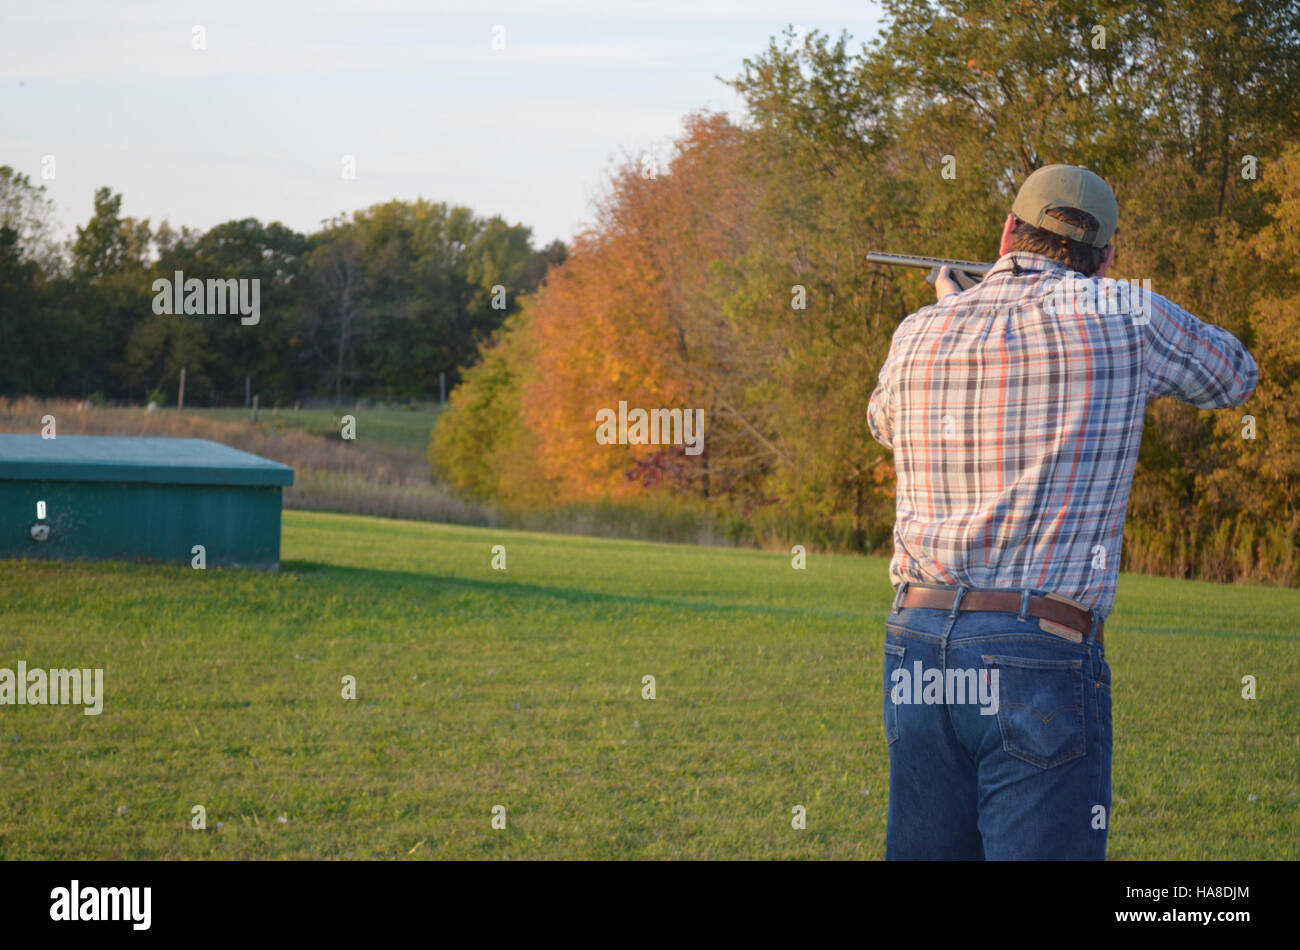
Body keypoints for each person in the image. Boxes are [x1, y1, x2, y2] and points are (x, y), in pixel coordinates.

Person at [866, 164, 1258, 860]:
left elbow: (885, 424)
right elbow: (1236, 374)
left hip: (919, 637)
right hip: (1038, 646)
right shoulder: (1129, 314)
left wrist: (954, 304)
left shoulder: (918, 331)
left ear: (1008, 232)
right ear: (1106, 255)